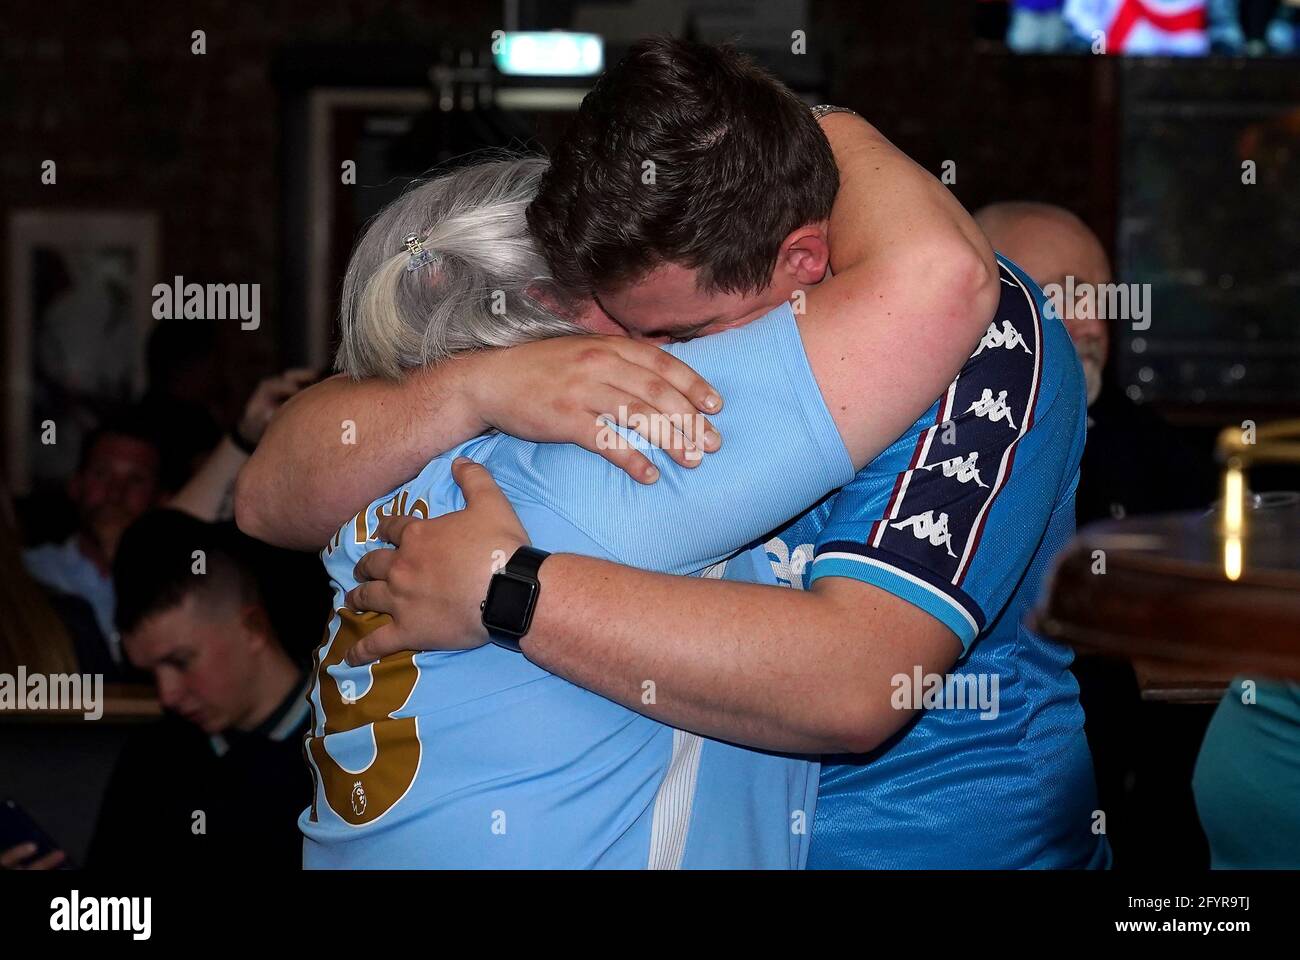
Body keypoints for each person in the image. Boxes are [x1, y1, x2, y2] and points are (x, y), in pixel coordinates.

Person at [239, 39, 1098, 868]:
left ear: (799, 256)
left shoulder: (975, 333)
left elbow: (854, 684)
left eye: (679, 335)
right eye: (620, 329)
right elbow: (266, 495)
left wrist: (509, 586)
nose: (664, 363)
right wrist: (478, 389)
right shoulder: (565, 434)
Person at [4, 510, 314, 870]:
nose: (167, 695)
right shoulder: (153, 759)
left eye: (181, 662)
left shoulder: (348, 749)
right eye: (150, 672)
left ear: (253, 628)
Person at [973, 201, 1216, 526]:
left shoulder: (1155, 452)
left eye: (1102, 300)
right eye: (1063, 297)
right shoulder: (921, 443)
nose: (1094, 326)